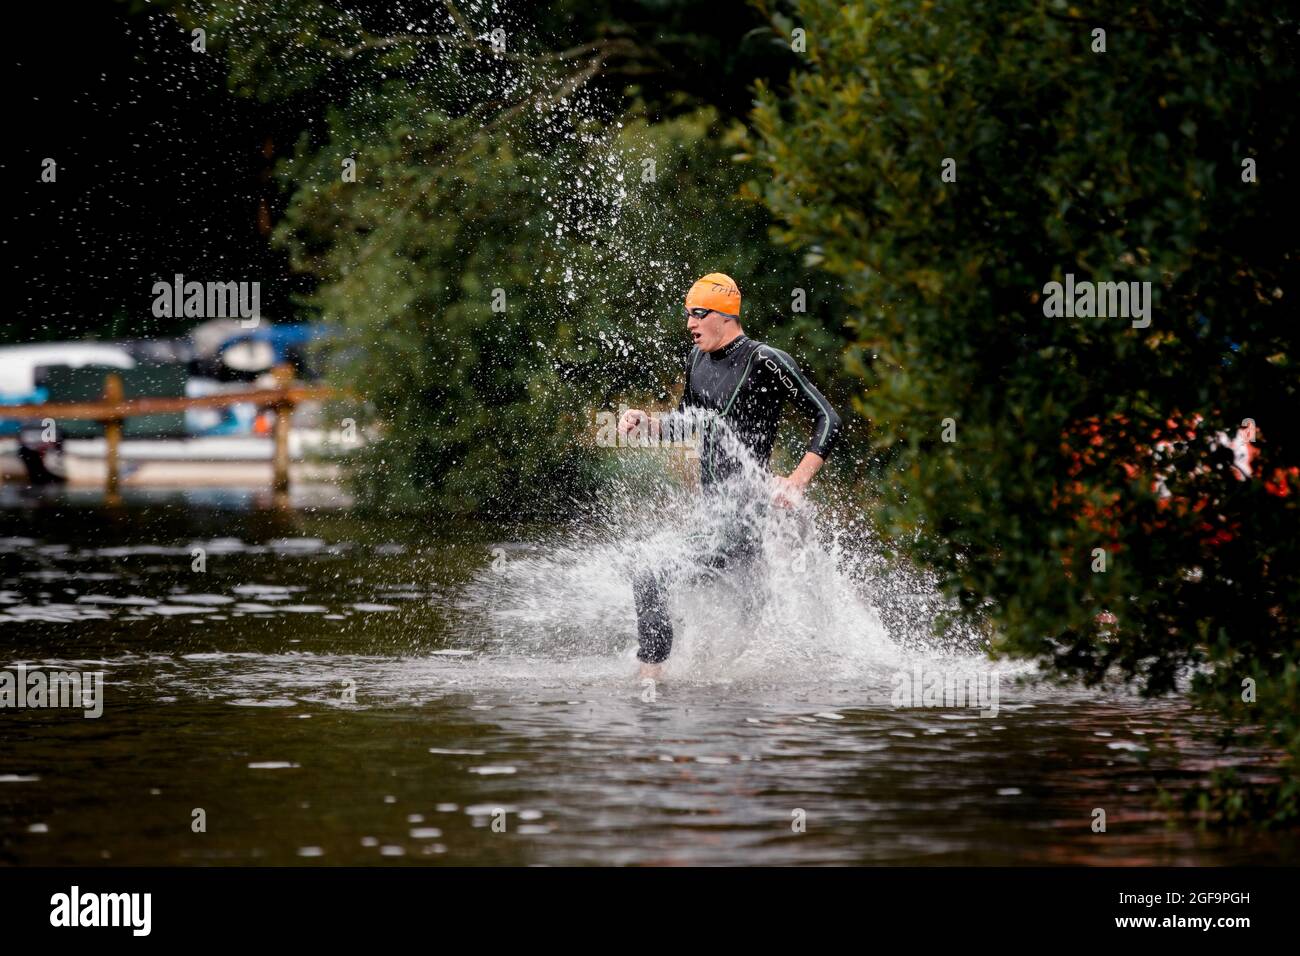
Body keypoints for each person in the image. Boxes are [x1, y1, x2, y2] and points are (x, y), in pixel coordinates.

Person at [618, 273, 842, 677]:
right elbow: (687, 423)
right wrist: (647, 422)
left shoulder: (765, 361)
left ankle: (650, 678)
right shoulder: (697, 359)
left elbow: (828, 418)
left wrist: (796, 481)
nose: (689, 324)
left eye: (698, 314)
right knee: (714, 622)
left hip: (745, 514)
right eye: (687, 314)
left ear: (725, 315)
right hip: (713, 515)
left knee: (650, 567)